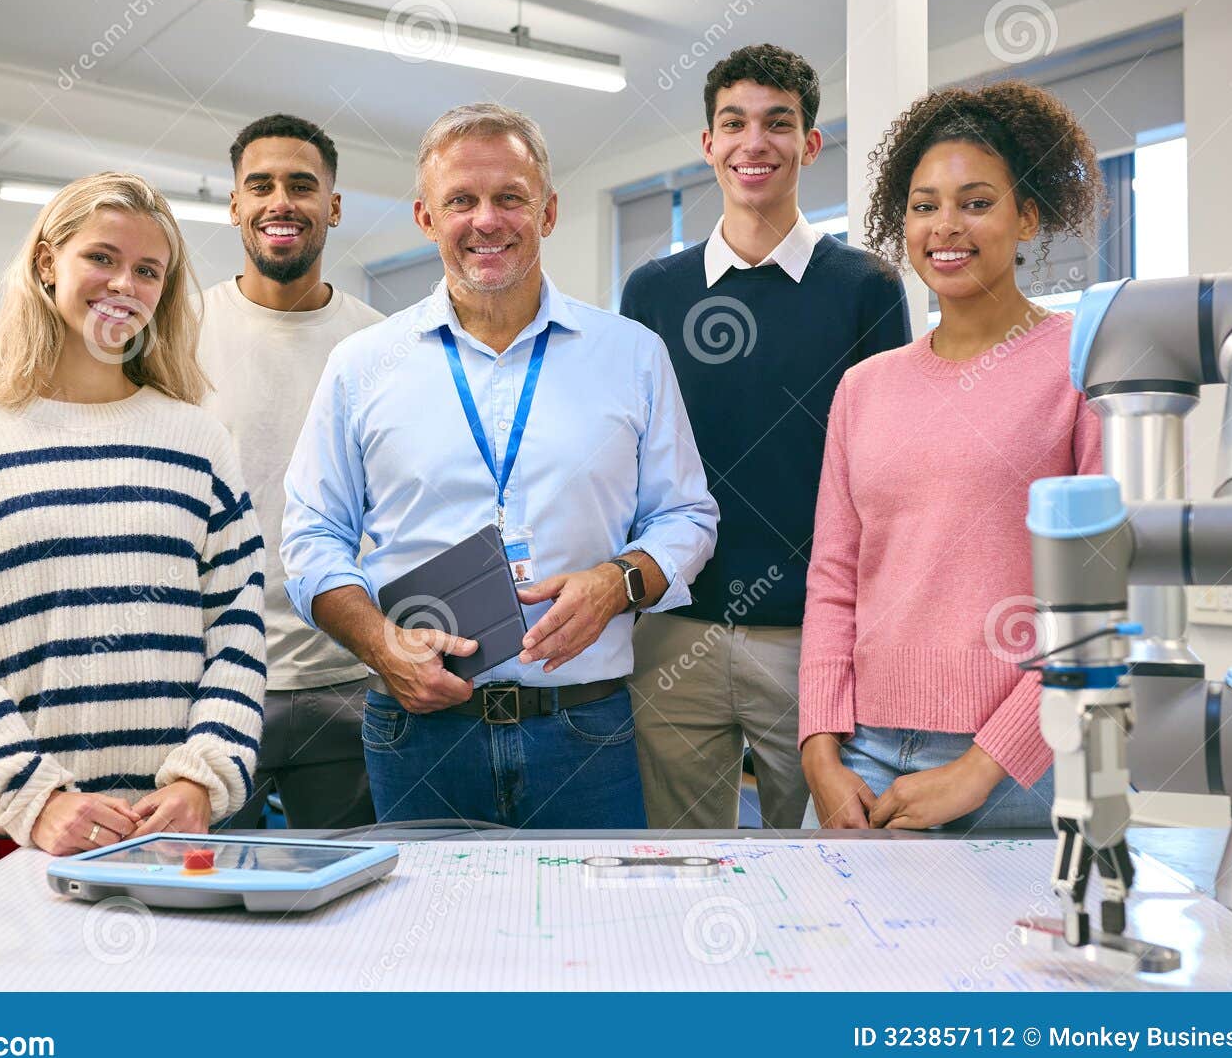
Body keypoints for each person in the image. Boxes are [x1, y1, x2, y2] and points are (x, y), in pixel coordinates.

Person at [281, 103, 718, 828]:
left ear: (548, 212)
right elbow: (311, 537)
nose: (487, 220)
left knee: (597, 938)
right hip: (418, 732)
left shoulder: (631, 354)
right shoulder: (361, 366)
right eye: (462, 200)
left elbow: (686, 514)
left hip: (583, 729)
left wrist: (619, 582)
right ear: (427, 217)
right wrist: (379, 642)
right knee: (430, 942)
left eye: (510, 197)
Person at [0, 172, 266, 864]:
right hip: (14, 836)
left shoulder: (200, 443)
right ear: (47, 263)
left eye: (148, 269)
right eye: (102, 257)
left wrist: (200, 779)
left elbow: (237, 630)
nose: (125, 283)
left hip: (173, 830)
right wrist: (35, 800)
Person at [800, 81, 1104, 831]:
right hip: (860, 756)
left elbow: (1105, 593)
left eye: (976, 202)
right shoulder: (864, 388)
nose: (947, 227)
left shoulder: (1086, 363)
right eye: (924, 205)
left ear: (1028, 216)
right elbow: (835, 578)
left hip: (1019, 763)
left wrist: (981, 766)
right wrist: (818, 749)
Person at [622, 45, 911, 831]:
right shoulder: (653, 291)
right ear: (708, 144)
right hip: (672, 632)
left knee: (827, 873)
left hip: (813, 643)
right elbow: (628, 459)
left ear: (811, 144)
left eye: (779, 123)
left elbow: (890, 476)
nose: (756, 142)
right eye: (734, 123)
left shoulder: (866, 287)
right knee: (679, 870)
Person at [198, 115, 385, 829]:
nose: (281, 201)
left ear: (333, 206)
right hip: (213, 682)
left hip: (348, 679)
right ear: (236, 205)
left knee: (352, 906)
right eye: (261, 185)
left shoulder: (379, 344)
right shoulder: (179, 330)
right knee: (210, 907)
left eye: (302, 185)